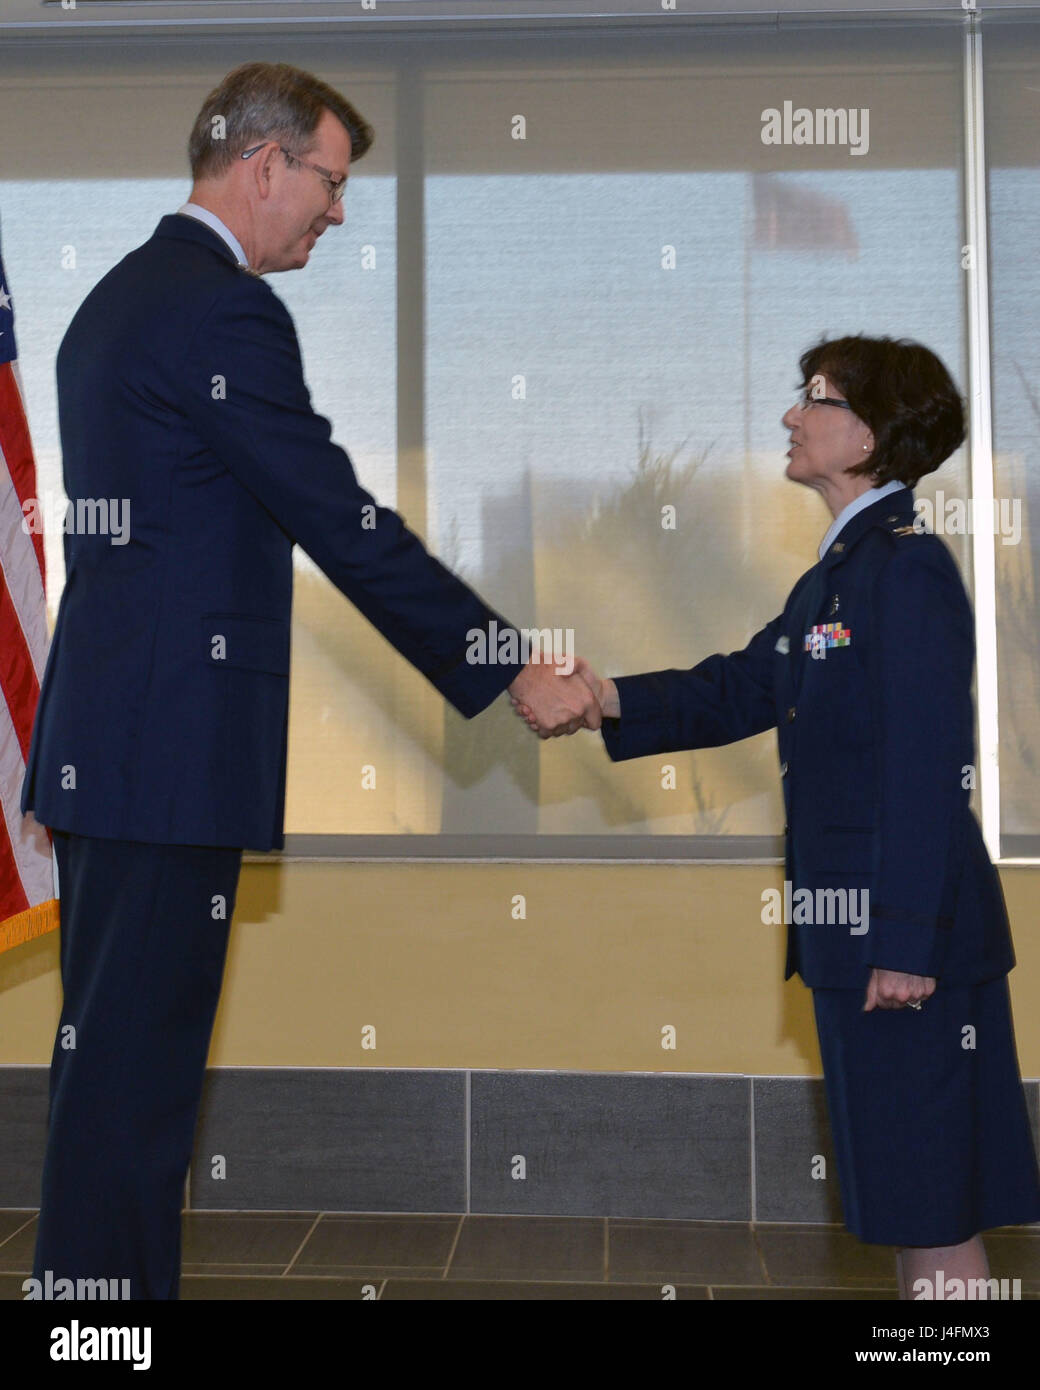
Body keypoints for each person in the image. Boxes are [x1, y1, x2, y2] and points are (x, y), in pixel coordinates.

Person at [21, 60, 602, 1300]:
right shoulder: (217, 310)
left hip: (115, 749)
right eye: (333, 183)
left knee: (115, 1080)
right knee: (134, 1098)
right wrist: (505, 662)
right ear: (265, 161)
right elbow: (339, 518)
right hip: (167, 756)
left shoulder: (118, 298)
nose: (338, 213)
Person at [513, 334, 1040, 1299]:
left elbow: (932, 769)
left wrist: (908, 943)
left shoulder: (907, 570)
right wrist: (605, 696)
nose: (792, 415)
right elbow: (745, 685)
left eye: (817, 398)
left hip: (904, 947)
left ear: (871, 434)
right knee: (906, 1196)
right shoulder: (836, 577)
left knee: (932, 1199)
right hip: (862, 944)